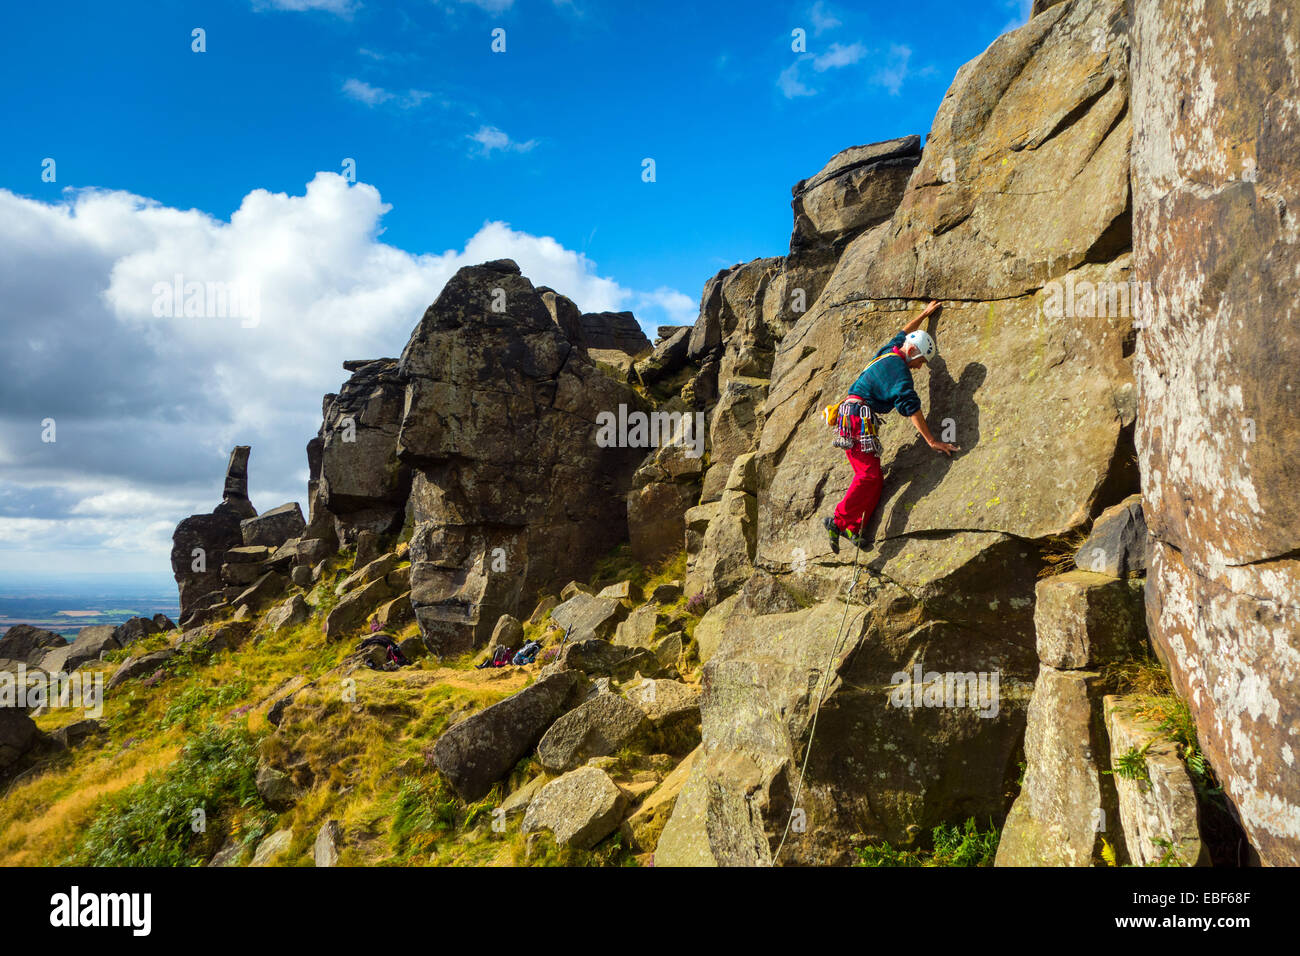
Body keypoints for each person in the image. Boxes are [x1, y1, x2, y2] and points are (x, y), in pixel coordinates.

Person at [823, 300, 960, 552]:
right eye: (920, 361)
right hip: (857, 416)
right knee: (867, 476)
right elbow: (911, 407)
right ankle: (838, 521)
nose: (919, 367)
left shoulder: (892, 350)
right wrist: (932, 441)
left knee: (874, 479)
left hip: (854, 415)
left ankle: (854, 526)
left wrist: (925, 315)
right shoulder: (899, 370)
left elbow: (904, 331)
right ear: (912, 353)